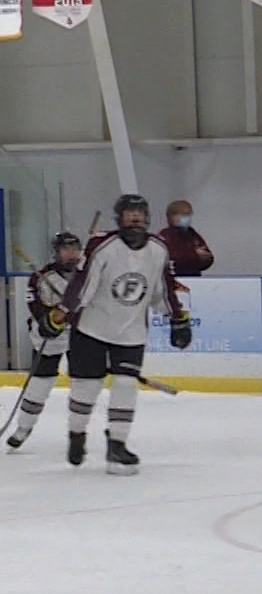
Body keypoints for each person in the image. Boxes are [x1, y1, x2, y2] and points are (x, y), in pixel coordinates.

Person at [60, 195, 193, 473]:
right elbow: (84, 285)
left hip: (131, 332)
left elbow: (163, 288)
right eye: (129, 213)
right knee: (86, 388)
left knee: (125, 385)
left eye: (140, 213)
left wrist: (177, 318)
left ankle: (117, 445)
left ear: (147, 218)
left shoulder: (159, 249)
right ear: (119, 218)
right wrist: (61, 312)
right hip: (91, 329)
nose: (135, 217)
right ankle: (76, 434)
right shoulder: (102, 245)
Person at [5, 233, 83, 452]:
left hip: (79, 335)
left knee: (82, 384)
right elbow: (36, 306)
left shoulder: (87, 275)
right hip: (49, 336)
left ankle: (77, 433)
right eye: (65, 249)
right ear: (56, 253)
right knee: (40, 384)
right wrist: (49, 319)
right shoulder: (41, 277)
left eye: (74, 248)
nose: (71, 253)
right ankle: (23, 427)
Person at [155, 201, 214, 277]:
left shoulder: (192, 234)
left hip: (194, 278)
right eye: (183, 215)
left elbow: (208, 257)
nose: (187, 218)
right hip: (173, 280)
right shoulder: (164, 236)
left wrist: (206, 258)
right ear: (171, 217)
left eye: (189, 214)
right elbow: (171, 259)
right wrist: (195, 255)